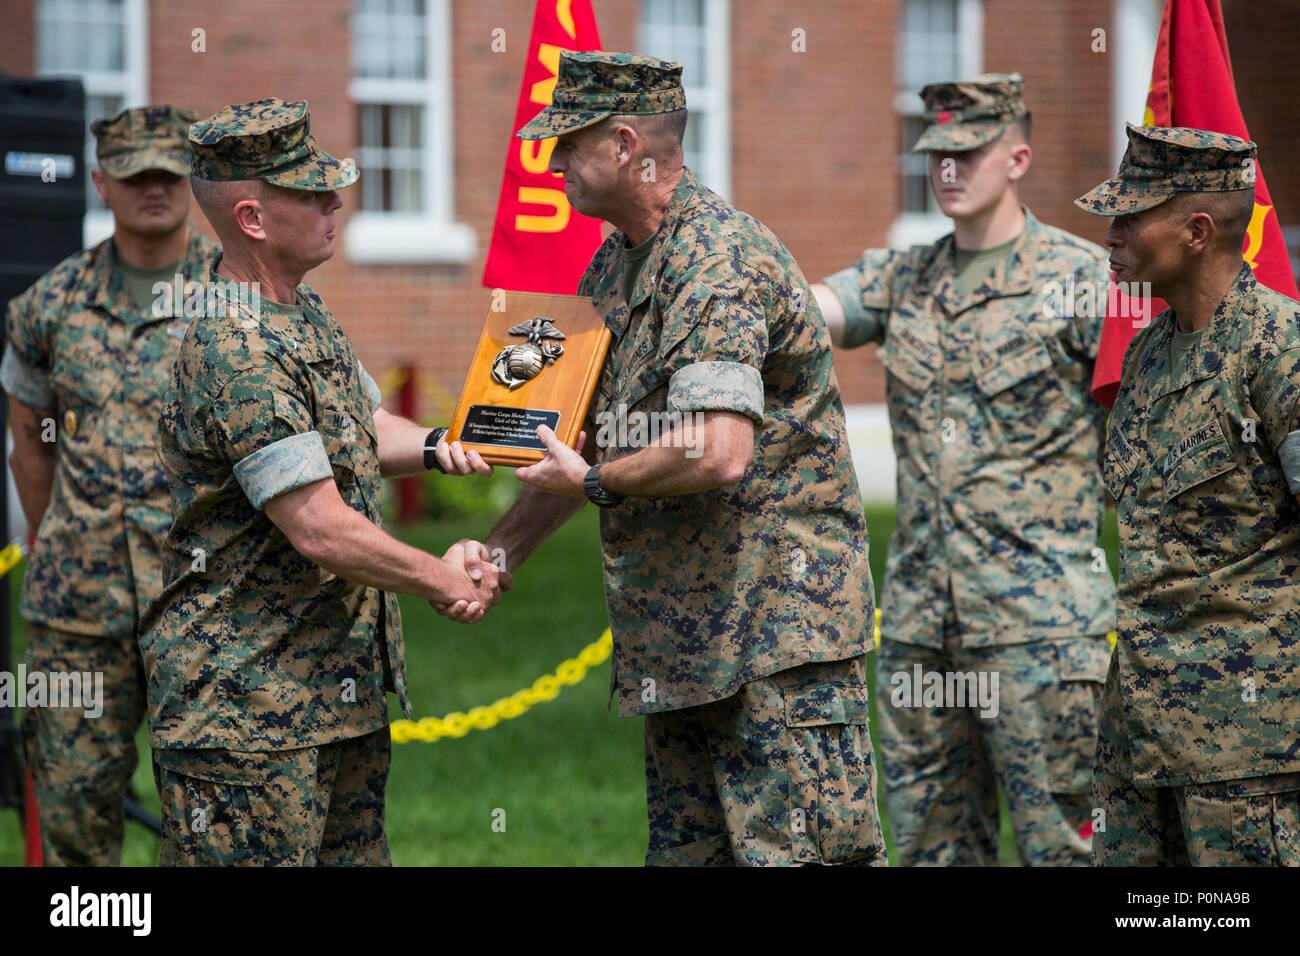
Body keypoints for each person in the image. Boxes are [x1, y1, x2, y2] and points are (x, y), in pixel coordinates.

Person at [484, 51, 885, 866]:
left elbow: (718, 449)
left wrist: (594, 482)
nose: (552, 161)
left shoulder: (714, 259)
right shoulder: (616, 261)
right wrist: (498, 554)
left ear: (628, 145)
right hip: (686, 649)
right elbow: (579, 437)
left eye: (570, 143)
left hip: (774, 645)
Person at [138, 98, 505, 866]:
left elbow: (356, 426)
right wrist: (440, 577)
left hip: (329, 697)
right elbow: (320, 526)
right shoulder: (236, 346)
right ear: (253, 217)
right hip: (245, 715)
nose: (334, 201)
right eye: (310, 191)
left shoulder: (300, 314)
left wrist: (442, 445)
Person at [810, 74, 1115, 866]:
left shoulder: (1087, 283)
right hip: (923, 628)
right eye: (935, 154)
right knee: (931, 845)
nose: (947, 170)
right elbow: (807, 311)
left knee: (1067, 847)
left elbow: (1153, 418)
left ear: (1017, 157)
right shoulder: (904, 279)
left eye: (967, 153)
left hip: (1042, 630)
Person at [1077, 124, 1300, 866]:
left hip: (1246, 754)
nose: (1109, 236)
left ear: (1198, 230)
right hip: (1139, 738)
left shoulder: (1278, 351)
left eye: (1130, 217)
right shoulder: (1146, 352)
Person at [2, 105, 219, 865]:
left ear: (190, 179)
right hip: (76, 615)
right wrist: (58, 535)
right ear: (101, 181)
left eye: (167, 173)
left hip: (203, 606)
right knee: (72, 814)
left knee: (212, 822)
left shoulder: (238, 298)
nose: (152, 189)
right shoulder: (49, 305)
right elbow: (29, 438)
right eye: (134, 175)